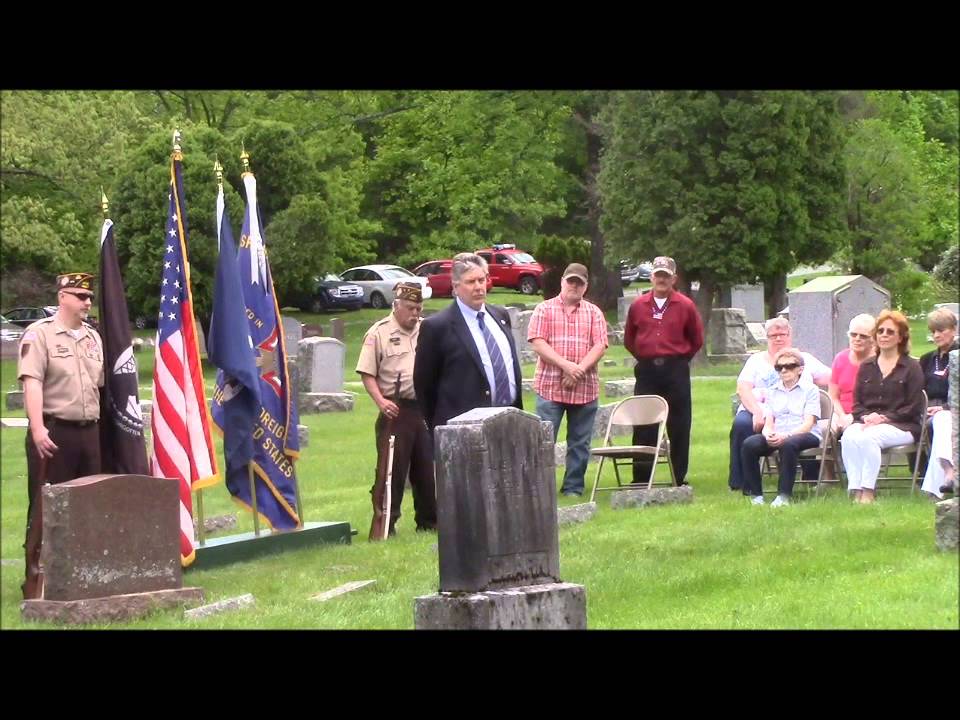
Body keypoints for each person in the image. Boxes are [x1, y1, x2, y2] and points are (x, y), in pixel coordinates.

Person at [17, 272, 104, 599]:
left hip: (88, 431)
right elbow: (32, 383)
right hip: (54, 431)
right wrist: (38, 428)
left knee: (87, 505)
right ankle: (37, 582)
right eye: (81, 296)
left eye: (90, 297)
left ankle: (81, 576)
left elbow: (99, 387)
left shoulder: (92, 338)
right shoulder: (39, 335)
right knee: (45, 504)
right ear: (62, 297)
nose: (87, 302)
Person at [356, 282, 437, 536]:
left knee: (427, 471)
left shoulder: (426, 330)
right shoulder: (378, 333)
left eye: (419, 308)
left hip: (422, 409)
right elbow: (367, 373)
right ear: (397, 305)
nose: (415, 314)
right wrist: (381, 401)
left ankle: (430, 522)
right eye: (411, 308)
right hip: (396, 408)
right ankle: (385, 525)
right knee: (392, 470)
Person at [414, 252, 523, 431]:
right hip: (463, 430)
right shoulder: (437, 327)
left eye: (482, 280)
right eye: (471, 282)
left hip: (509, 423)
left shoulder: (500, 316)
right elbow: (424, 385)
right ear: (456, 287)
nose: (479, 287)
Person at [528, 263, 608, 497]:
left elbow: (600, 345)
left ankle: (573, 488)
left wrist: (579, 370)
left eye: (579, 283)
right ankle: (541, 490)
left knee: (580, 443)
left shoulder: (594, 312)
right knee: (544, 441)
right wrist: (565, 365)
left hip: (585, 390)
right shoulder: (544, 309)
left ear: (585, 286)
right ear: (562, 281)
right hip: (550, 387)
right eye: (570, 281)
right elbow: (537, 341)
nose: (574, 286)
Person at [623, 256, 703, 486]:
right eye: (658, 275)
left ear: (673, 278)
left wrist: (678, 359)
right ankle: (640, 479)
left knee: (679, 424)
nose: (661, 279)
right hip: (647, 371)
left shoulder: (685, 305)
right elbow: (630, 339)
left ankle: (678, 477)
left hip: (675, 370)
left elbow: (696, 339)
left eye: (666, 276)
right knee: (644, 423)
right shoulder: (638, 305)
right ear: (651, 277)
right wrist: (646, 356)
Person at [728, 316, 830, 493]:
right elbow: (743, 388)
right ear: (766, 338)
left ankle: (810, 476)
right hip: (757, 408)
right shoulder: (756, 361)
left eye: (782, 334)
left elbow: (831, 377)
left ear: (790, 336)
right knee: (742, 424)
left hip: (797, 412)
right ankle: (742, 481)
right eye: (773, 335)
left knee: (800, 423)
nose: (778, 338)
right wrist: (758, 412)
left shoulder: (805, 359)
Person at [841, 309, 925, 504]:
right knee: (849, 436)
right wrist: (865, 417)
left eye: (890, 332)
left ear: (901, 337)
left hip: (902, 426)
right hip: (868, 422)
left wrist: (884, 418)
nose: (884, 335)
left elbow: (914, 407)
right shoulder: (867, 366)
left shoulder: (912, 367)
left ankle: (868, 490)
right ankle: (855, 490)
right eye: (881, 331)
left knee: (870, 438)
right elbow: (857, 404)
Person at [739, 348, 823, 507]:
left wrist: (786, 435)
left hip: (805, 434)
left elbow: (808, 424)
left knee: (788, 444)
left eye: (790, 366)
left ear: (800, 369)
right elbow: (769, 420)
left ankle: (784, 495)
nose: (784, 370)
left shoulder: (810, 390)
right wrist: (768, 434)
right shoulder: (772, 391)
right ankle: (756, 495)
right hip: (779, 433)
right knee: (749, 444)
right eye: (779, 367)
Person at [919, 308, 958, 499]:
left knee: (943, 420)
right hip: (926, 411)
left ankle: (945, 477)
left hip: (953, 410)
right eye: (933, 331)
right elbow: (917, 390)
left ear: (954, 329)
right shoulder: (927, 360)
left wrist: (944, 408)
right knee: (940, 421)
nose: (936, 335)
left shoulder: (957, 357)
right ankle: (947, 476)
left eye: (941, 330)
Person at [829, 314, 877, 433]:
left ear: (873, 340)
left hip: (866, 414)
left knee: (853, 430)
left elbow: (878, 400)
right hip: (840, 412)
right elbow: (833, 396)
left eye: (863, 336)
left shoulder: (879, 361)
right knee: (827, 429)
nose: (857, 339)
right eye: (853, 334)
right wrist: (841, 416)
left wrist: (852, 417)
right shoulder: (840, 358)